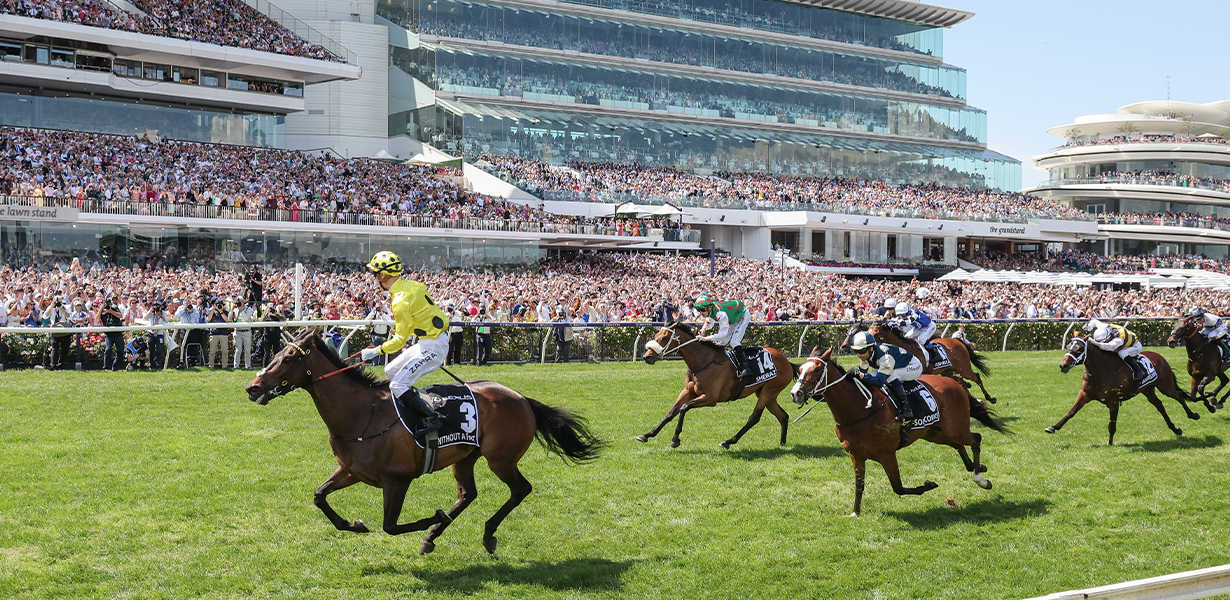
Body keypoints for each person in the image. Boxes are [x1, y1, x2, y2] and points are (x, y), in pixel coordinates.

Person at [359, 251, 447, 434]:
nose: (375, 278)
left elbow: (400, 341)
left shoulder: (399, 300)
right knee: (390, 371)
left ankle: (432, 417)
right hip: (428, 341)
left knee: (397, 385)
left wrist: (377, 351)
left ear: (382, 275)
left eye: (375, 274)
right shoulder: (413, 285)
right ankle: (410, 407)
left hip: (434, 346)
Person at [848, 331, 922, 422]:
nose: (858, 355)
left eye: (861, 351)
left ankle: (906, 409)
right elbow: (863, 372)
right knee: (870, 376)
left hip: (913, 366)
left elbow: (879, 382)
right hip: (897, 365)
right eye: (856, 351)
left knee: (891, 376)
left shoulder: (885, 357)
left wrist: (861, 375)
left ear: (871, 349)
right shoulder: (867, 354)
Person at [695, 294, 751, 378]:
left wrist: (705, 338)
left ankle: (746, 368)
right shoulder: (711, 309)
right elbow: (709, 319)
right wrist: (703, 329)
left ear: (709, 308)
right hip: (732, 317)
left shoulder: (720, 313)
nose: (701, 313)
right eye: (699, 310)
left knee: (734, 342)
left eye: (702, 310)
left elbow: (722, 334)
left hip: (742, 316)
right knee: (722, 342)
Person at [41, 297, 72, 370]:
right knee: (55, 348)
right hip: (54, 330)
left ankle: (61, 365)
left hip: (64, 330)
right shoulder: (50, 307)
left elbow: (70, 317)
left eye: (60, 301)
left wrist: (62, 310)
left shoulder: (65, 307)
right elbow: (45, 316)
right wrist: (51, 306)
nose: (58, 302)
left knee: (65, 348)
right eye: (56, 301)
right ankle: (53, 365)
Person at [97, 295, 126, 371]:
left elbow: (120, 315)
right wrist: (100, 310)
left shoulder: (115, 308)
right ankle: (106, 367)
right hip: (109, 334)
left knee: (120, 350)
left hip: (117, 333)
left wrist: (111, 311)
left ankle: (115, 367)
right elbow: (96, 320)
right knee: (108, 349)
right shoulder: (102, 311)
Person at [231, 301, 256, 369]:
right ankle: (236, 366)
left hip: (247, 331)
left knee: (247, 350)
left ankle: (247, 365)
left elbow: (247, 319)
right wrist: (232, 309)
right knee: (238, 350)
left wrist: (241, 310)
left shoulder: (249, 309)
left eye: (241, 302)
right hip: (238, 331)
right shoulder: (235, 310)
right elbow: (230, 319)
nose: (240, 303)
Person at [205, 299, 230, 369]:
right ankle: (211, 365)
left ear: (223, 305)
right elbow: (208, 319)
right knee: (212, 351)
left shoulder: (225, 312)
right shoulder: (212, 312)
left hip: (223, 333)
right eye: (217, 304)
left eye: (220, 305)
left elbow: (226, 320)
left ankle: (224, 366)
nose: (219, 306)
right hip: (214, 333)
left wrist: (221, 312)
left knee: (225, 351)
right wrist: (213, 310)